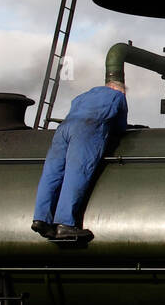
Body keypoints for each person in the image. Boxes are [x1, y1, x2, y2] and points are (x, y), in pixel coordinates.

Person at [32, 80, 128, 241]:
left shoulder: (82, 96)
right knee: (77, 172)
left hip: (63, 129)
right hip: (87, 129)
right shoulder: (117, 95)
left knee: (52, 173)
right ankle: (65, 224)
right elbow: (120, 126)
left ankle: (41, 219)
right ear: (115, 88)